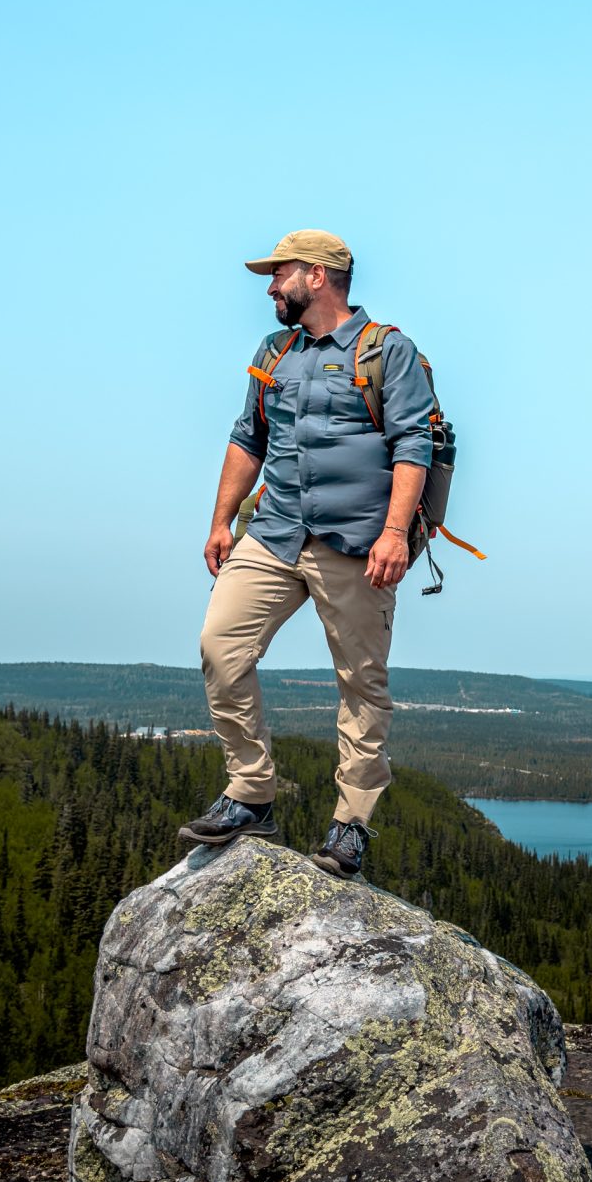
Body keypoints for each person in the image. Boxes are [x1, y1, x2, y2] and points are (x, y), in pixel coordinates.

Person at [178, 227, 433, 877]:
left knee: (360, 683)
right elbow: (248, 436)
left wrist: (397, 533)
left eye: (279, 273)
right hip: (274, 529)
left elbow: (413, 446)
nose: (270, 286)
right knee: (221, 644)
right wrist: (219, 523)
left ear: (316, 276)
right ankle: (250, 793)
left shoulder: (386, 352)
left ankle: (349, 827)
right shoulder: (275, 349)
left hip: (356, 543)